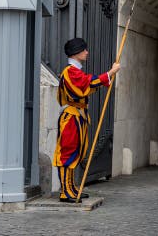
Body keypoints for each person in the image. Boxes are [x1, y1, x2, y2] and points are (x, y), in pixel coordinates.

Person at [52, 37, 121, 202]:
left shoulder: (76, 71)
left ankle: (71, 187)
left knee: (76, 152)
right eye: (84, 50)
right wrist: (110, 73)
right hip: (71, 117)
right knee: (67, 152)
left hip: (79, 116)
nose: (87, 52)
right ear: (76, 53)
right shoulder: (70, 72)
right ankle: (65, 191)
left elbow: (86, 85)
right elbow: (85, 85)